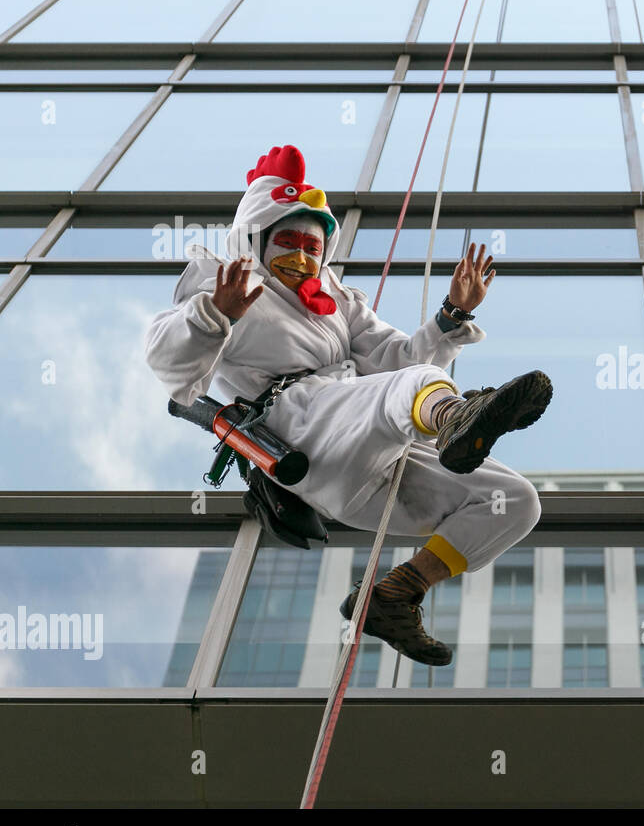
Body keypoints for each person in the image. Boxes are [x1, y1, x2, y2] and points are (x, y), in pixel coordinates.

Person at [145, 144, 552, 667]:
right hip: (300, 426)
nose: (300, 255)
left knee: (515, 500)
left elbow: (394, 358)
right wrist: (212, 316)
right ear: (256, 238)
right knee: (415, 386)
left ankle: (394, 594)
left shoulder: (338, 299)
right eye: (286, 241)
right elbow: (167, 361)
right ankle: (454, 418)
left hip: (368, 455)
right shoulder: (226, 284)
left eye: (312, 246)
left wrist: (452, 315)